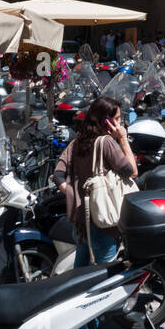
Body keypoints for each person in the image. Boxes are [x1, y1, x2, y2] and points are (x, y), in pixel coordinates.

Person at [53, 97, 137, 268]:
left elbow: (58, 174)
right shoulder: (106, 142)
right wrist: (123, 139)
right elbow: (133, 172)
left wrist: (73, 193)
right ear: (106, 121)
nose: (121, 122)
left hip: (81, 223)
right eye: (118, 118)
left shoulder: (78, 141)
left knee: (80, 276)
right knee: (103, 280)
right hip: (103, 224)